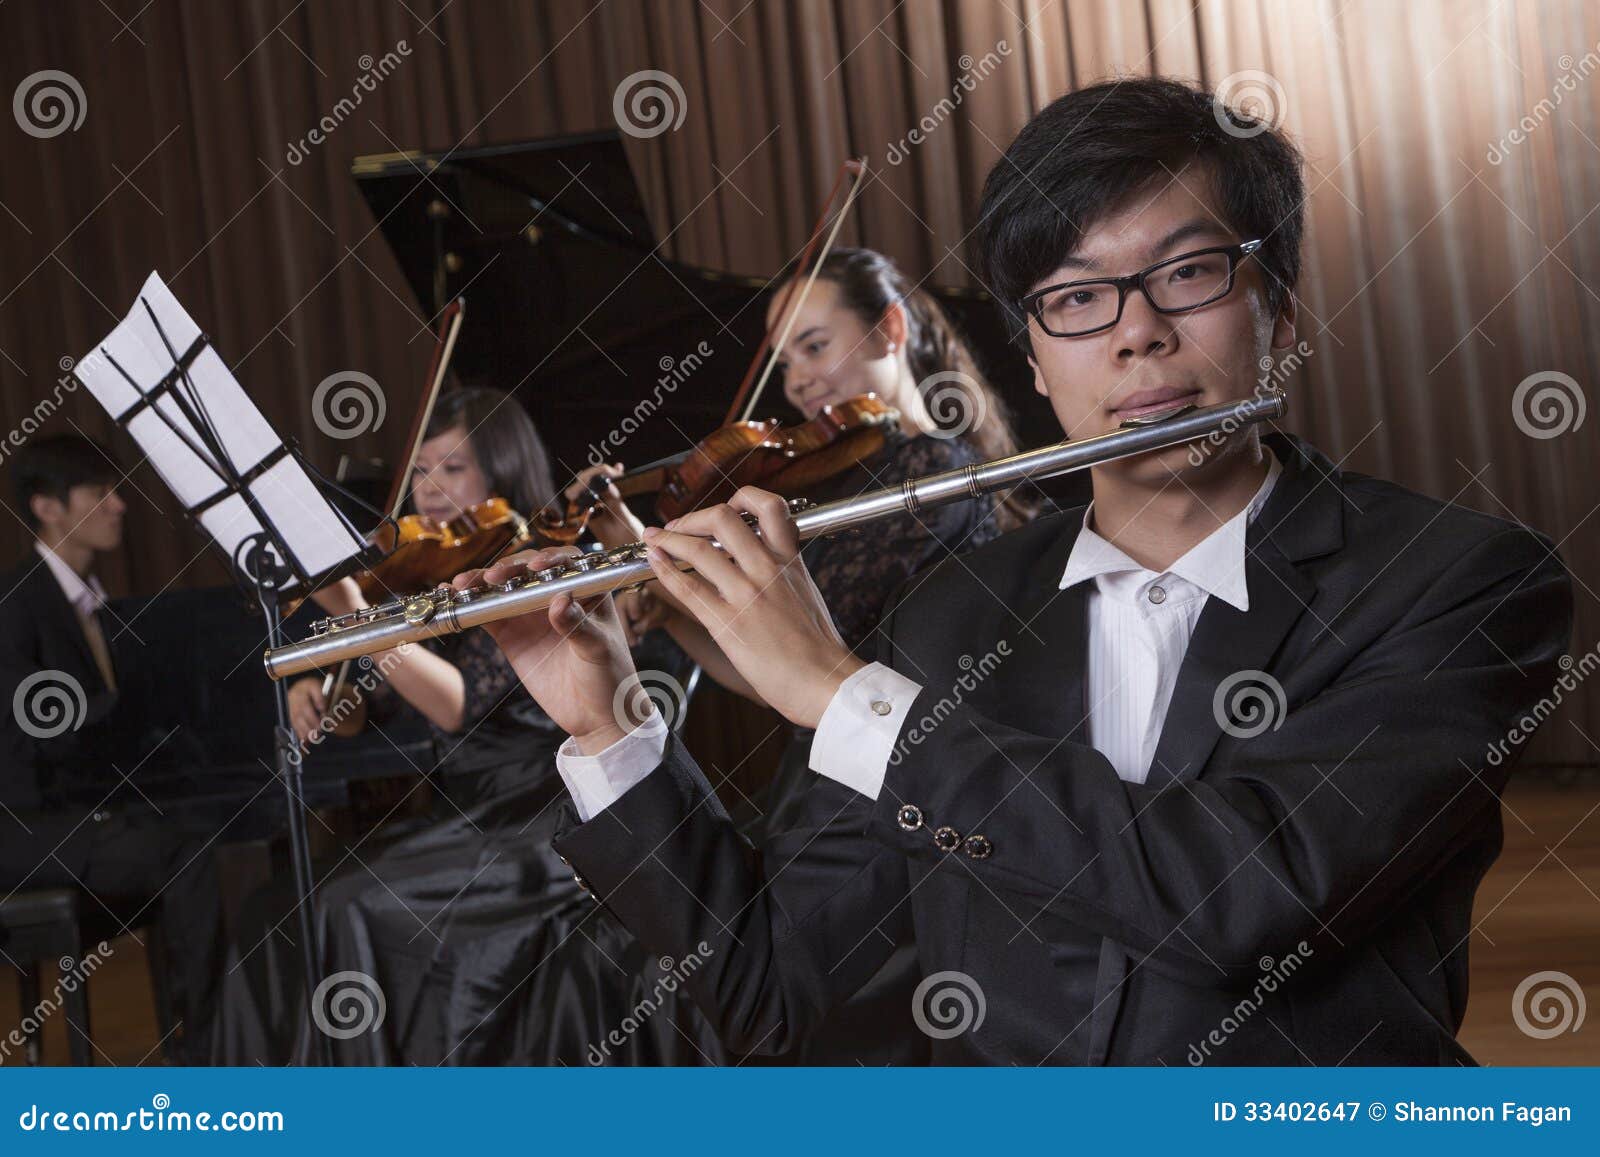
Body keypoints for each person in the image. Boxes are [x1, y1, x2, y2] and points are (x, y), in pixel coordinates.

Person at [459, 78, 1574, 1065]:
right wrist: (609, 725)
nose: (1135, 336)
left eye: (1186, 274)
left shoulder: (1457, 581)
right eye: (1078, 299)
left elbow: (1238, 902)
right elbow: (772, 989)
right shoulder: (952, 615)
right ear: (1033, 355)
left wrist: (842, 693)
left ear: (1275, 302)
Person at [571, 247, 1029, 1062]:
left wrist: (664, 567)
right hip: (821, 793)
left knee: (699, 993)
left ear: (890, 329)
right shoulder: (842, 487)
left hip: (895, 824)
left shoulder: (933, 474)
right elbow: (771, 680)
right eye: (785, 361)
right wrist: (665, 607)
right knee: (639, 956)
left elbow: (826, 651)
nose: (796, 382)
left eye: (816, 345)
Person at [215, 387, 716, 1065]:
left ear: (502, 473)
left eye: (452, 469)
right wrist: (323, 693)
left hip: (546, 813)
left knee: (347, 907)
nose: (429, 490)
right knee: (272, 913)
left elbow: (457, 701)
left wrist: (359, 612)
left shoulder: (536, 559)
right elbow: (380, 707)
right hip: (472, 812)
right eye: (420, 471)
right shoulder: (437, 568)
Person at [0, 434, 226, 1064]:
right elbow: (31, 734)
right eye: (100, 494)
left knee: (201, 830)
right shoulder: (16, 604)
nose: (120, 506)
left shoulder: (89, 601)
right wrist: (127, 709)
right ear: (48, 508)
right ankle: (208, 1055)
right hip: (24, 822)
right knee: (188, 852)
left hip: (73, 807)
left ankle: (216, 1036)